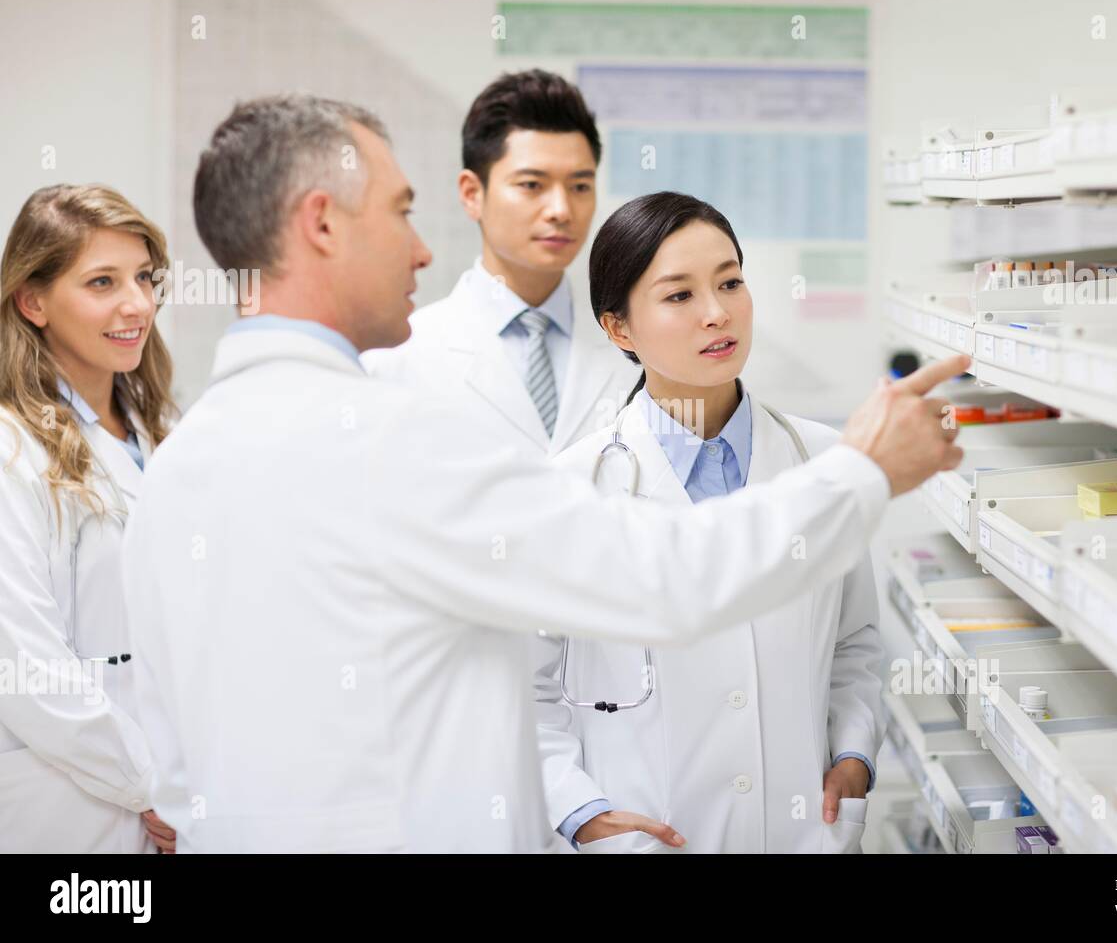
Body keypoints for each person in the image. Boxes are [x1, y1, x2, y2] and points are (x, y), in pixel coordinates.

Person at [121, 94, 967, 852]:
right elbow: (669, 577)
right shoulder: (390, 440)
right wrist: (863, 471)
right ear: (322, 224)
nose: (421, 250)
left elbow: (167, 763)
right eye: (400, 211)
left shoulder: (175, 469)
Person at [534, 193, 885, 854]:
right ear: (619, 329)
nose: (717, 312)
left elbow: (855, 646)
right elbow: (528, 688)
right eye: (679, 295)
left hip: (804, 833)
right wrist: (581, 811)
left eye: (730, 281)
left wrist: (854, 759)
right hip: (652, 836)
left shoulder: (824, 462)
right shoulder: (571, 491)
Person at [0, 184, 177, 852]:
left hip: (168, 804)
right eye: (102, 281)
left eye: (144, 278)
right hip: (67, 817)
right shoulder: (10, 450)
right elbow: (25, 667)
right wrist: (150, 783)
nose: (136, 304)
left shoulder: (160, 432)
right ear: (32, 299)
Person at [364, 70, 638, 456]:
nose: (561, 210)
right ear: (472, 194)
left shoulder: (640, 354)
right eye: (532, 185)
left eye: (580, 186)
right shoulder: (396, 357)